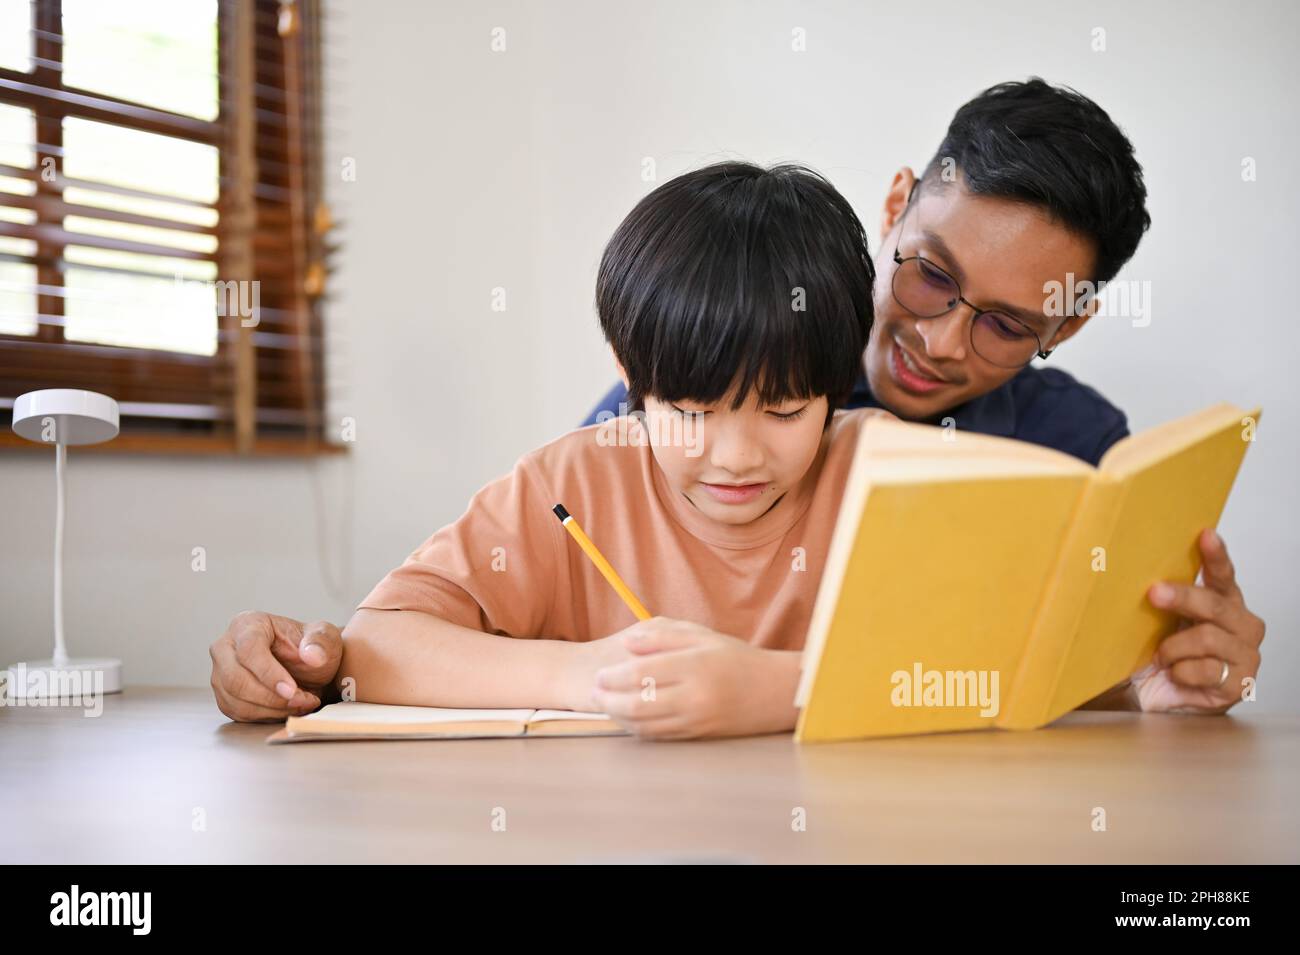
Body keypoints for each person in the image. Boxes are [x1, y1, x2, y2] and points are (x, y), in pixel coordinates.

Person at [211, 81, 1264, 730]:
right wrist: (595, 674)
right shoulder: (604, 457)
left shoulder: (967, 456)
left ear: (1064, 324)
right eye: (931, 278)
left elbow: (996, 671)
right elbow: (399, 636)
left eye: (1000, 322)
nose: (730, 452)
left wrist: (1144, 686)